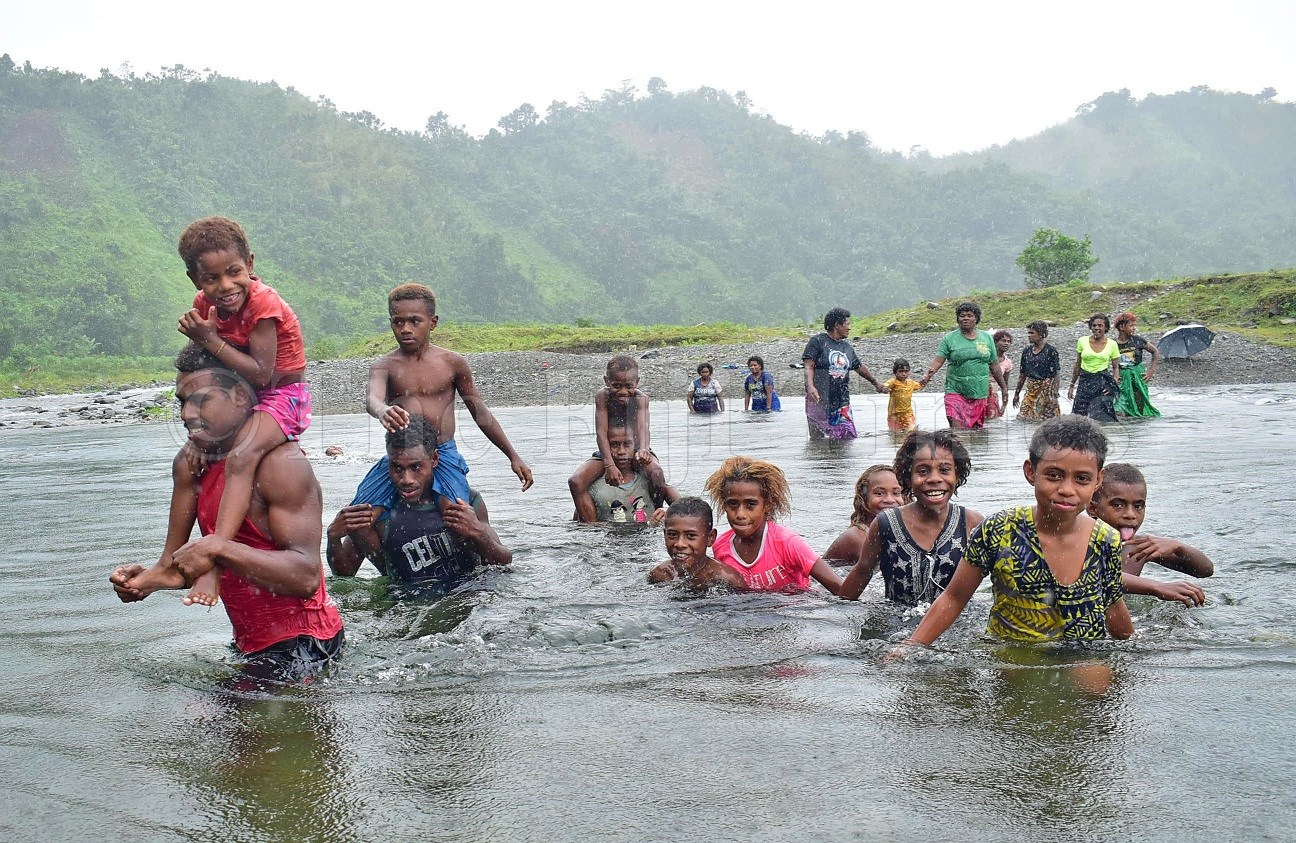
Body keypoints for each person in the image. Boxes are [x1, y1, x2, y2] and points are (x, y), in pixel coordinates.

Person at [110, 344, 343, 682]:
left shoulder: (281, 465)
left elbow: (306, 577)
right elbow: (188, 567)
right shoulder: (192, 465)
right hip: (251, 645)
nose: (186, 414)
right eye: (181, 402)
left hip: (305, 643)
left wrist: (218, 548)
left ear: (239, 396)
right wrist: (147, 581)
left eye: (201, 400)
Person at [167, 216, 313, 609]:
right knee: (186, 462)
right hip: (245, 393)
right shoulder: (204, 306)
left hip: (283, 394)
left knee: (243, 455)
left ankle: (214, 556)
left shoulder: (263, 303)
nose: (225, 286)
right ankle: (168, 563)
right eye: (211, 278)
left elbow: (263, 373)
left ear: (249, 263)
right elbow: (211, 367)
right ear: (195, 280)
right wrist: (202, 429)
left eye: (234, 272)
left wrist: (208, 338)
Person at [899, 416, 1134, 646]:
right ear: (1031, 472)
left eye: (1082, 479)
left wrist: (1135, 647)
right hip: (1013, 655)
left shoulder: (1106, 540)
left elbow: (1113, 604)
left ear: (1098, 481)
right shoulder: (998, 530)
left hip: (1084, 655)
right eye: (1054, 475)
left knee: (1095, 672)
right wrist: (911, 646)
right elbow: (954, 597)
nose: (1066, 489)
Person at [352, 283, 533, 523]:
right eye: (398, 322)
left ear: (433, 322)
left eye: (414, 321)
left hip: (443, 452)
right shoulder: (384, 365)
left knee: (458, 516)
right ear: (391, 323)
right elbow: (372, 399)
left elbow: (479, 411)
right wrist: (382, 410)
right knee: (359, 518)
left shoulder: (452, 362)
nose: (405, 329)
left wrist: (512, 455)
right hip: (402, 456)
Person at [326, 414, 511, 596]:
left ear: (434, 459)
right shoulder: (377, 517)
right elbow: (344, 574)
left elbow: (503, 563)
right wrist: (333, 537)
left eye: (416, 467)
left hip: (467, 597)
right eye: (397, 468)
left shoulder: (466, 502)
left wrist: (478, 532)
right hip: (405, 605)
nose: (406, 479)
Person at [839, 431, 984, 604]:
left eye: (945, 470)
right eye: (922, 471)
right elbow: (862, 572)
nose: (934, 479)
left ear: (957, 475)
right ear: (907, 479)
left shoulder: (971, 523)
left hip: (959, 620)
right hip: (896, 620)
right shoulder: (885, 524)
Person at [703, 456, 842, 593]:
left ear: (767, 505)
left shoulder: (789, 544)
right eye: (733, 504)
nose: (740, 514)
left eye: (751, 504)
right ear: (724, 505)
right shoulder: (720, 546)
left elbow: (841, 590)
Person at [1089, 463, 1211, 606]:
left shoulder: (1136, 548)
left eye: (1138, 506)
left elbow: (1204, 570)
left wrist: (1178, 547)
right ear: (1093, 509)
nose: (1130, 514)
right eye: (1118, 505)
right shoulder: (1079, 542)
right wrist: (1156, 587)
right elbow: (1096, 576)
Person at [567, 355, 668, 520]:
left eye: (629, 386)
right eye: (616, 386)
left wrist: (644, 449)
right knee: (576, 481)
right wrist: (609, 464)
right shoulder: (603, 396)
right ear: (606, 381)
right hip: (609, 450)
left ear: (637, 382)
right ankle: (592, 527)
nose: (623, 392)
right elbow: (601, 432)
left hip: (636, 449)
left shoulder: (641, 399)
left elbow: (643, 427)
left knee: (656, 472)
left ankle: (656, 512)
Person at [918, 301, 1007, 430]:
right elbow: (938, 360)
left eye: (969, 315)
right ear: (958, 318)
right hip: (955, 391)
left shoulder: (986, 338)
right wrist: (928, 375)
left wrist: (1003, 387)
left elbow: (994, 365)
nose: (965, 318)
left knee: (976, 432)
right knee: (957, 430)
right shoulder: (949, 338)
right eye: (962, 315)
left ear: (976, 318)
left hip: (980, 392)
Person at [803, 307, 884, 439]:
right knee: (818, 441)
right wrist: (810, 386)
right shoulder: (818, 342)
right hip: (819, 399)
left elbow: (858, 367)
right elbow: (809, 365)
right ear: (837, 325)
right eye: (847, 324)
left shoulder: (846, 347)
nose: (849, 328)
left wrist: (876, 383)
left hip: (841, 401)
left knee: (848, 437)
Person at [572, 425, 679, 523]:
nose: (621, 451)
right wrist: (595, 527)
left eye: (627, 444)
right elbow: (580, 524)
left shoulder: (650, 481)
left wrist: (666, 512)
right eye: (614, 445)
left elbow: (685, 509)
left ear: (635, 446)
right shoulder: (594, 488)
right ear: (604, 448)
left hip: (646, 535)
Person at [648, 498, 748, 591]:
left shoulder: (727, 579)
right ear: (664, 534)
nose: (680, 544)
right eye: (672, 535)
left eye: (691, 536)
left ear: (710, 538)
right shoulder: (660, 574)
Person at [823, 465, 905, 565]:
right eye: (879, 493)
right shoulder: (856, 538)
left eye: (896, 493)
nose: (889, 500)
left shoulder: (903, 530)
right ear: (864, 497)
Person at [1068, 313, 1121, 421]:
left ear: (1106, 328)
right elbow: (1078, 364)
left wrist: (1112, 386)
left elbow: (1115, 368)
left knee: (1104, 419)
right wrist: (1072, 385)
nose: (1096, 328)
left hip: (1102, 382)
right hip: (1084, 382)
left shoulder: (1112, 344)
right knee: (1078, 418)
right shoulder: (1082, 341)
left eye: (1100, 325)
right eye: (1094, 325)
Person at [1112, 312, 1161, 418]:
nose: (1134, 328)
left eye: (1135, 325)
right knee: (1120, 403)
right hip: (1122, 378)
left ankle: (1138, 424)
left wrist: (1151, 371)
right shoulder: (1113, 344)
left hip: (1138, 377)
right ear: (1121, 327)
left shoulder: (1138, 340)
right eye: (1131, 325)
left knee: (1140, 404)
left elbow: (1155, 351)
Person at [1012, 320, 1062, 421]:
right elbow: (1022, 374)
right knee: (1022, 417)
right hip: (1031, 390)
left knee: (1044, 419)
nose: (1029, 335)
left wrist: (1055, 394)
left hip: (1046, 390)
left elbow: (1056, 374)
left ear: (1041, 334)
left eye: (1032, 333)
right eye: (1028, 333)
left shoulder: (1051, 351)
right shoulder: (1026, 351)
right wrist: (1016, 394)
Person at [882, 358, 923, 432]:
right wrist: (883, 389)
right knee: (895, 434)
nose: (903, 374)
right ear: (895, 372)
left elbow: (920, 385)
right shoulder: (893, 382)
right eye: (901, 371)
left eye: (906, 371)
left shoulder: (911, 383)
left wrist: (927, 378)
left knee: (911, 432)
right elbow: (885, 386)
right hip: (894, 414)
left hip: (908, 414)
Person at [985, 329, 1014, 421]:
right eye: (1003, 341)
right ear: (995, 342)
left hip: (993, 393)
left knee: (992, 419)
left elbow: (1005, 384)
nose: (1006, 343)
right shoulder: (986, 357)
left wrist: (1004, 405)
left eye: (1008, 341)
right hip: (980, 389)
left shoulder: (1007, 363)